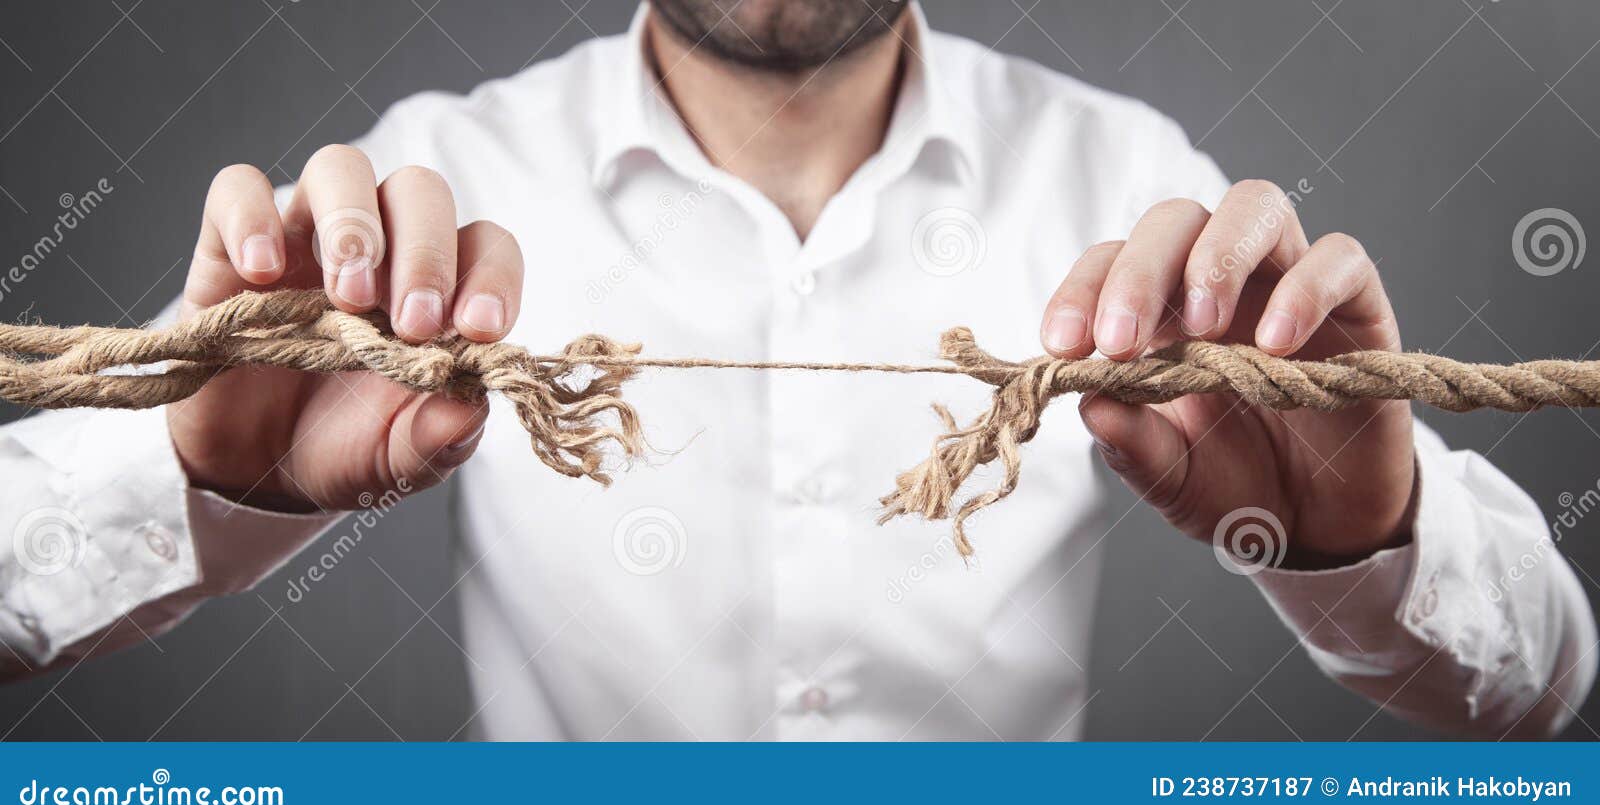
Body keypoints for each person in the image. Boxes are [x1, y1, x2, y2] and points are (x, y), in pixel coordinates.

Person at [1, 0, 1593, 740]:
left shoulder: (1130, 184)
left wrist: (1359, 546)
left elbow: (1549, 695)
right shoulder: (437, 183)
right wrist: (195, 473)